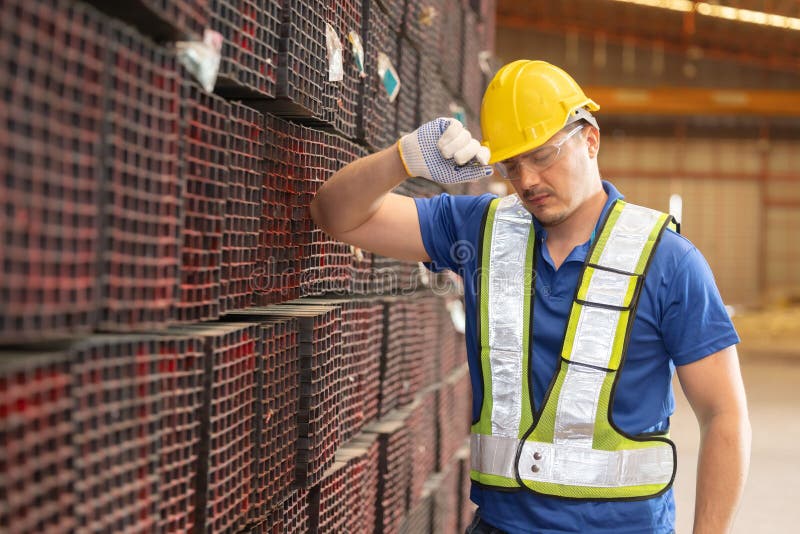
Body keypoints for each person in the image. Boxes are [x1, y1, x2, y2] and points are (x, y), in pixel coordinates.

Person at [310, 59, 751, 534]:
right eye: (513, 165)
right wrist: (404, 159)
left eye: (543, 156)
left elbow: (724, 416)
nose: (528, 182)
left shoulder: (669, 262)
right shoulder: (479, 229)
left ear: (590, 138)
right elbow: (336, 214)